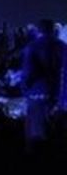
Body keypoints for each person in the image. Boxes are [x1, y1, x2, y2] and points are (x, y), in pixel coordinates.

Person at [21, 19, 66, 148]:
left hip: (37, 94)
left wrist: (25, 90)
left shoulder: (32, 47)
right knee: (55, 131)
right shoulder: (62, 46)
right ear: (53, 30)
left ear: (38, 30)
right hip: (56, 95)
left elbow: (28, 73)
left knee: (36, 133)